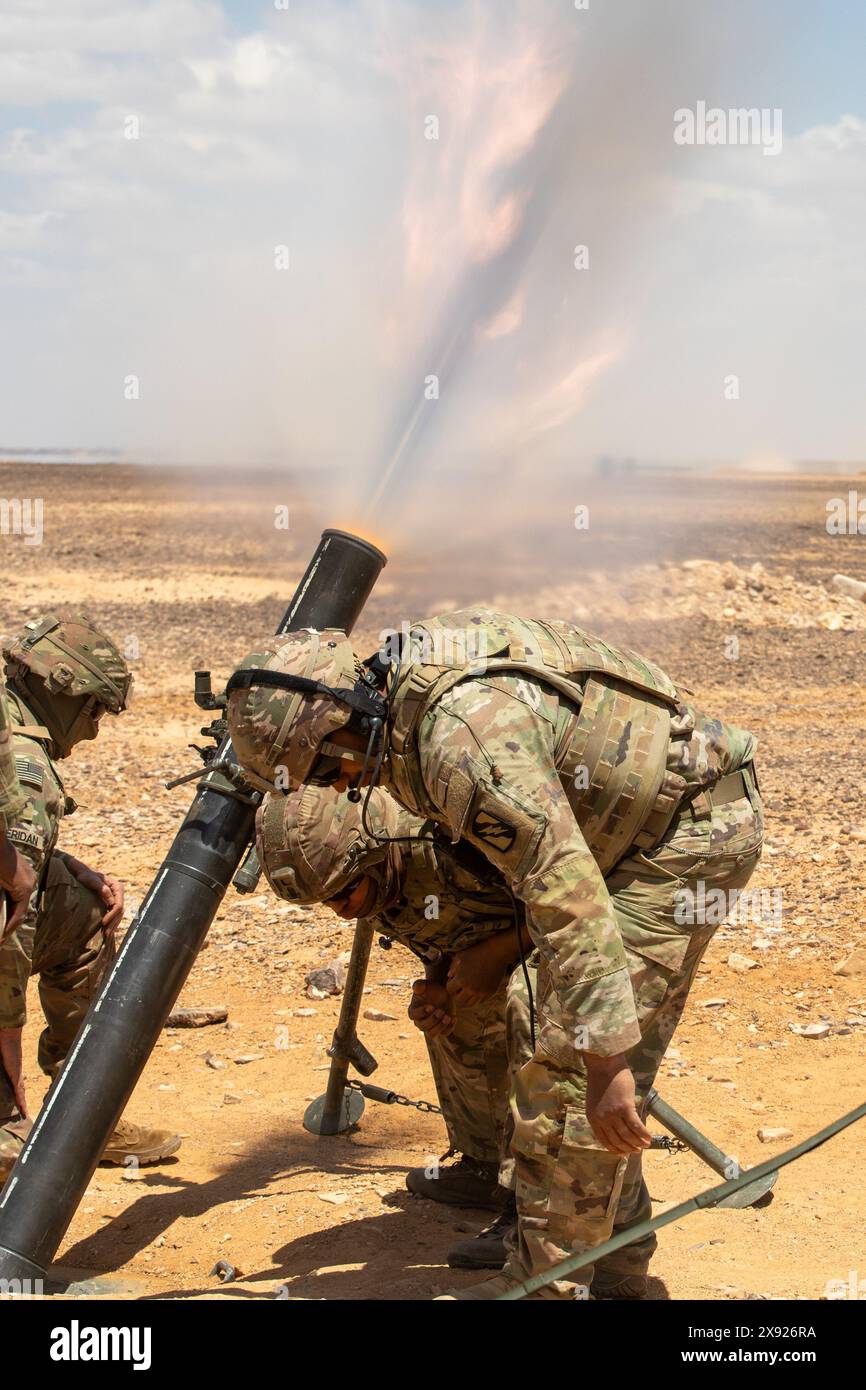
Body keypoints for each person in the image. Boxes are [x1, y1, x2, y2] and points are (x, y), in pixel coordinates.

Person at [226, 609, 763, 1298]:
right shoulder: (407, 705)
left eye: (324, 768)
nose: (332, 786)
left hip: (684, 834)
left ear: (339, 722)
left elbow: (566, 893)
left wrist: (607, 1061)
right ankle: (618, 1273)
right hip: (627, 831)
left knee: (566, 1071)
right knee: (539, 1021)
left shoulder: (462, 745)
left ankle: (547, 1288)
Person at [0, 614, 181, 1184]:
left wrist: (60, 863)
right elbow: (8, 934)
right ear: (63, 692)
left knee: (81, 908)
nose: (96, 730)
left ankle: (77, 1109)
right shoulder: (28, 768)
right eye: (95, 710)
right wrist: (8, 1062)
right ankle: (25, 1120)